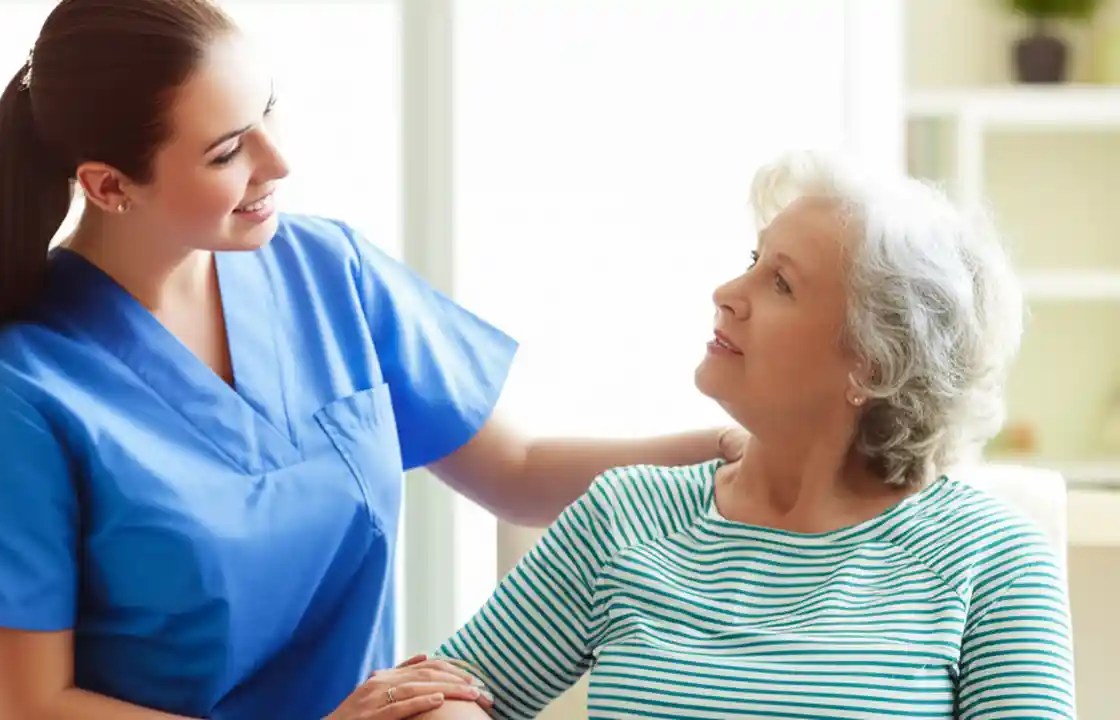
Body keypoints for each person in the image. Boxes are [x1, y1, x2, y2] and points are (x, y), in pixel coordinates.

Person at [0, 1, 746, 719]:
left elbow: (516, 469)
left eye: (270, 112)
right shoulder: (16, 392)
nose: (278, 163)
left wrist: (735, 450)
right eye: (227, 152)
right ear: (107, 186)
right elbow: (33, 705)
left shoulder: (327, 273)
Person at [418, 150, 1077, 719]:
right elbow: (449, 691)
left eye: (781, 282)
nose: (728, 291)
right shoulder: (624, 516)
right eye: (753, 260)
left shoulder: (992, 559)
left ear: (873, 363)